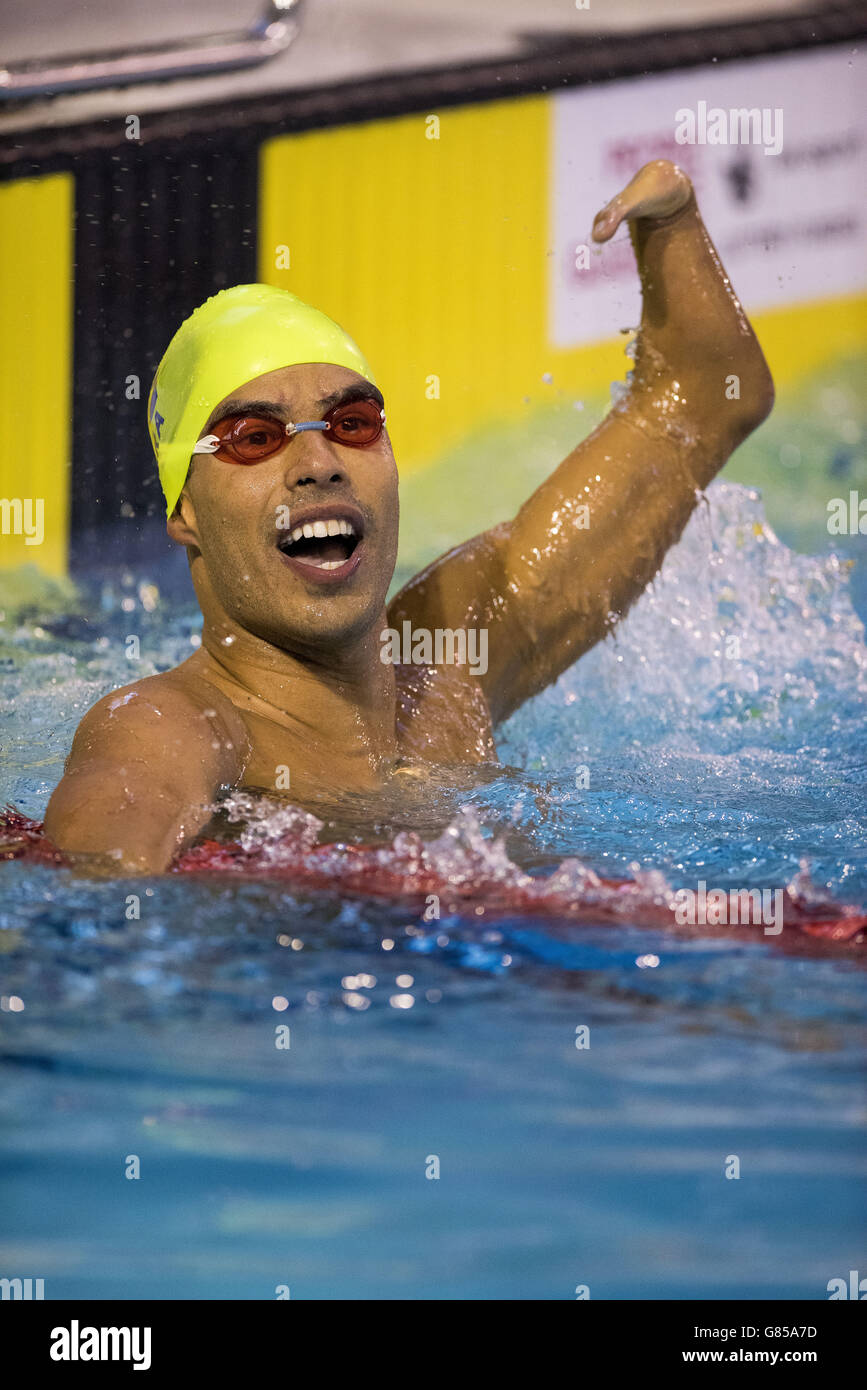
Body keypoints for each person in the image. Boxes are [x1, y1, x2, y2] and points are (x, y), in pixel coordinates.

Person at [44, 159, 773, 873]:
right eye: (256, 439)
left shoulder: (448, 664)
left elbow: (704, 403)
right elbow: (92, 889)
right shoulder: (173, 725)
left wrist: (672, 220)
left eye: (352, 423)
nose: (318, 461)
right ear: (184, 513)